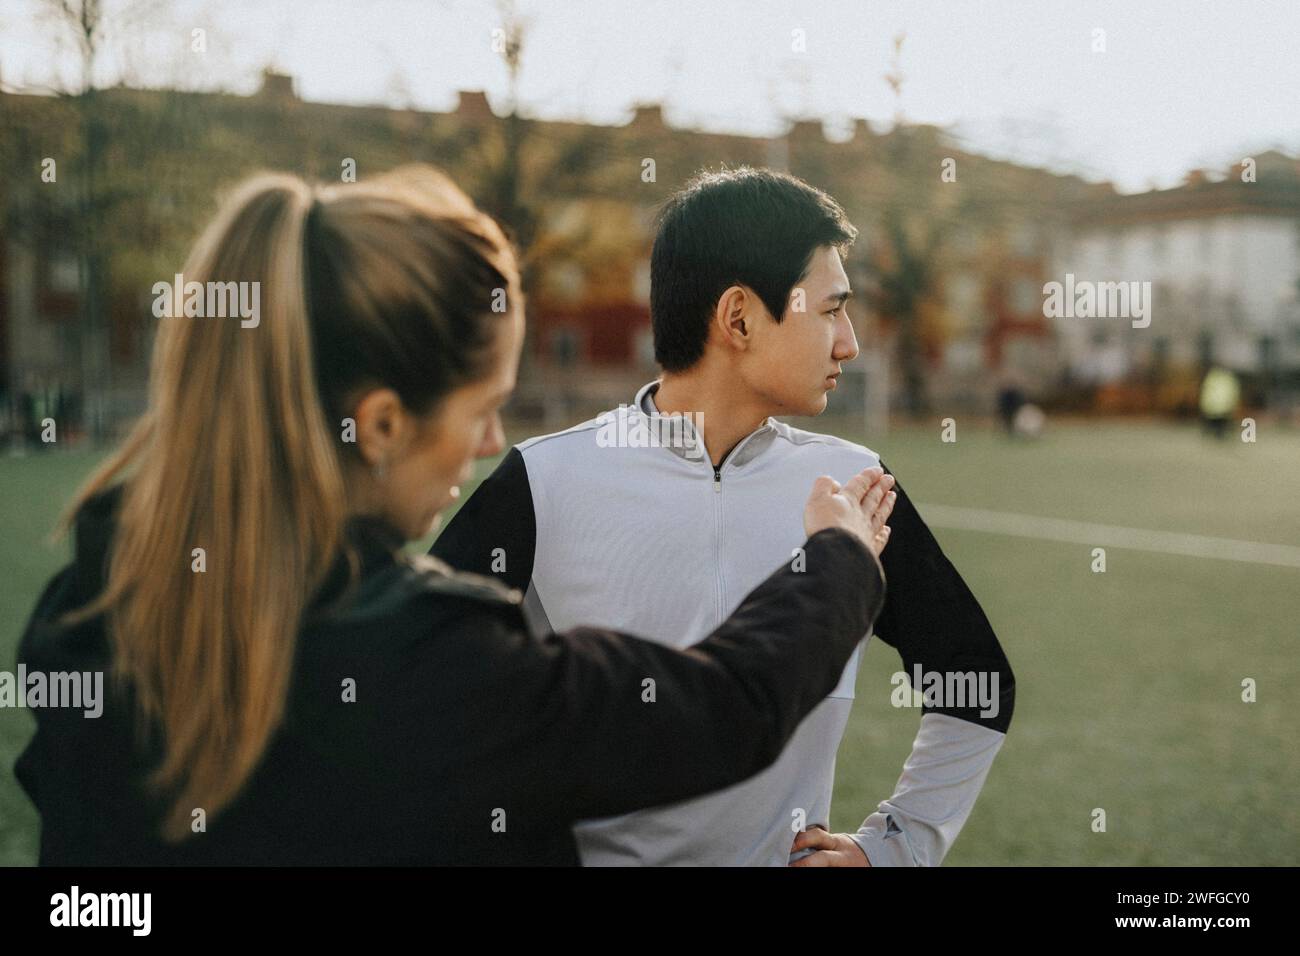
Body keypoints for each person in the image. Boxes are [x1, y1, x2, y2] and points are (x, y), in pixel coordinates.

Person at [13, 165, 896, 865]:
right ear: (386, 423)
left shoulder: (90, 603)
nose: (489, 444)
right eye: (482, 408)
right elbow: (717, 713)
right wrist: (838, 561)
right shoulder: (424, 664)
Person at [432, 166, 1015, 866]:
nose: (849, 343)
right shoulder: (544, 479)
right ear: (738, 317)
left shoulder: (854, 485)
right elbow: (415, 701)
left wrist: (891, 850)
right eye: (830, 310)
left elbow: (974, 680)